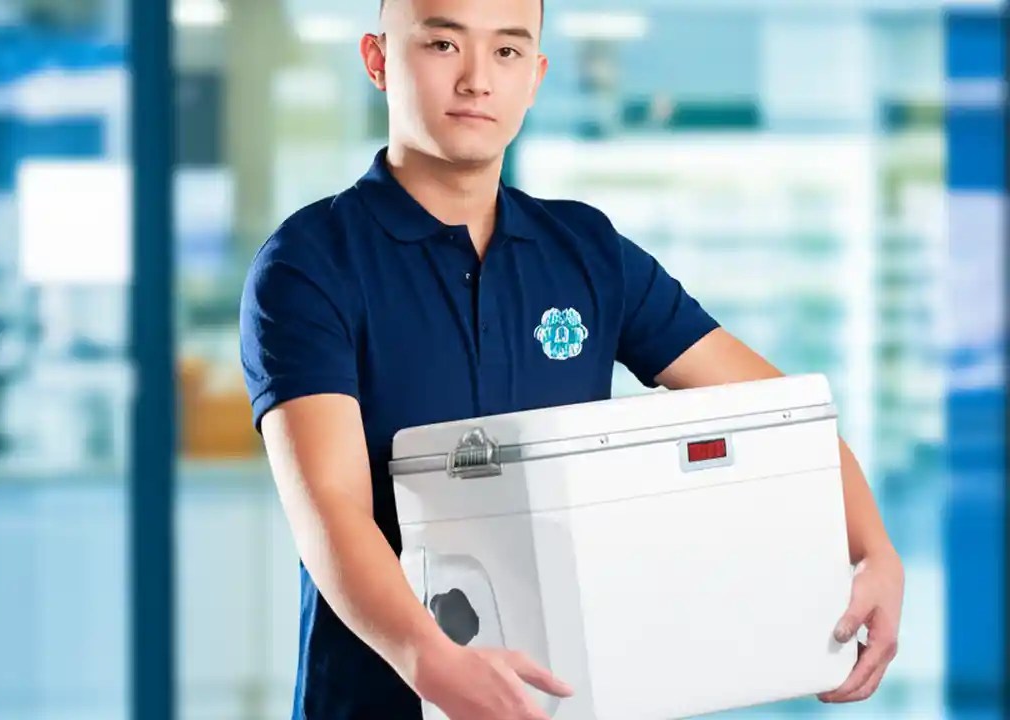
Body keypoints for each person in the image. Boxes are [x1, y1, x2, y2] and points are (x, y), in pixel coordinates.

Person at [238, 1, 905, 718]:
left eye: (507, 52)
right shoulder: (309, 265)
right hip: (375, 702)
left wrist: (873, 550)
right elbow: (333, 506)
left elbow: (782, 416)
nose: (476, 79)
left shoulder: (587, 252)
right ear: (377, 60)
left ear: (535, 75)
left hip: (573, 696)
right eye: (442, 45)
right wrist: (431, 659)